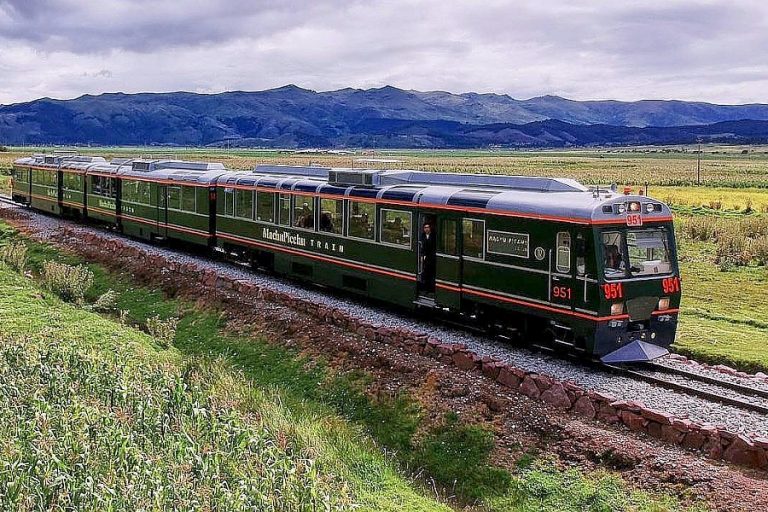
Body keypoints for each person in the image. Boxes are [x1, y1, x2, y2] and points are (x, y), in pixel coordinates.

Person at [419, 222, 436, 292]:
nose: (426, 229)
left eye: (427, 227)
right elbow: (421, 247)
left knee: (431, 273)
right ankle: (424, 288)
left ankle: (431, 288)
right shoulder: (422, 236)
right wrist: (422, 256)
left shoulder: (434, 236)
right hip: (425, 257)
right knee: (425, 273)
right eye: (425, 228)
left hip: (432, 257)